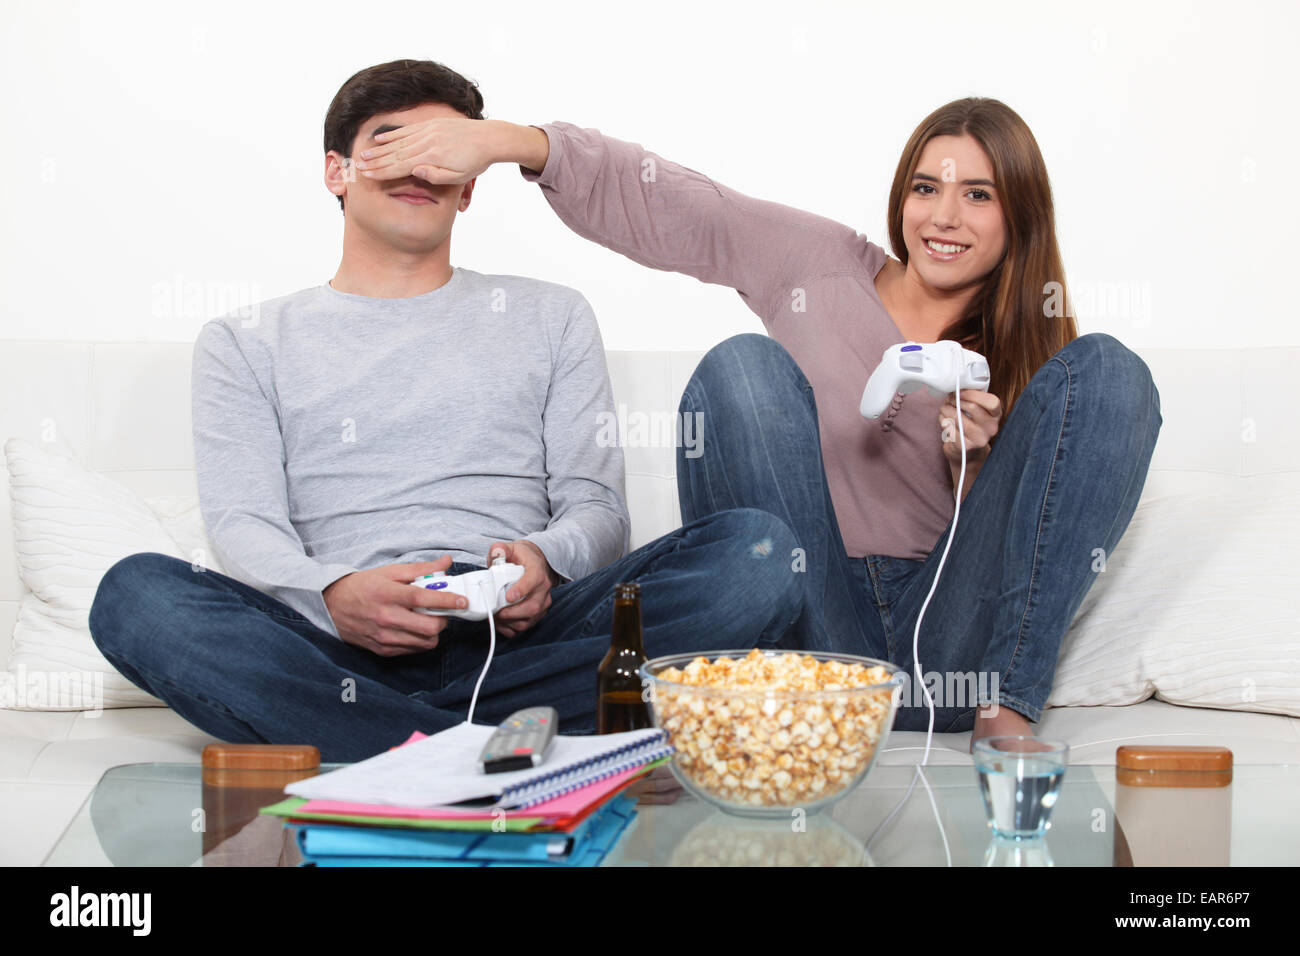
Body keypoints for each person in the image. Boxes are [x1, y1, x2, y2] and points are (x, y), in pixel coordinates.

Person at [348, 97, 1163, 748]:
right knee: (742, 364)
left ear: (1018, 214)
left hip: (951, 646)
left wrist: (976, 469)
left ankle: (1008, 714)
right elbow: (680, 206)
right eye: (926, 188)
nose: (944, 216)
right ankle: (775, 687)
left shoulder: (1030, 356)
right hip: (815, 616)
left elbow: (1035, 536)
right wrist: (515, 143)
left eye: (977, 195)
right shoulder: (821, 265)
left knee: (1112, 368)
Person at [87, 59, 805, 763]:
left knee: (760, 555)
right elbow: (244, 526)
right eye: (394, 144)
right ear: (337, 171)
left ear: (467, 187)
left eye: (445, 153)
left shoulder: (551, 316)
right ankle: (479, 744)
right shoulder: (243, 341)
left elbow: (594, 507)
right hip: (337, 643)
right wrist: (333, 593)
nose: (421, 169)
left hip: (526, 633)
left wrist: (545, 562)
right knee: (135, 596)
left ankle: (391, 747)